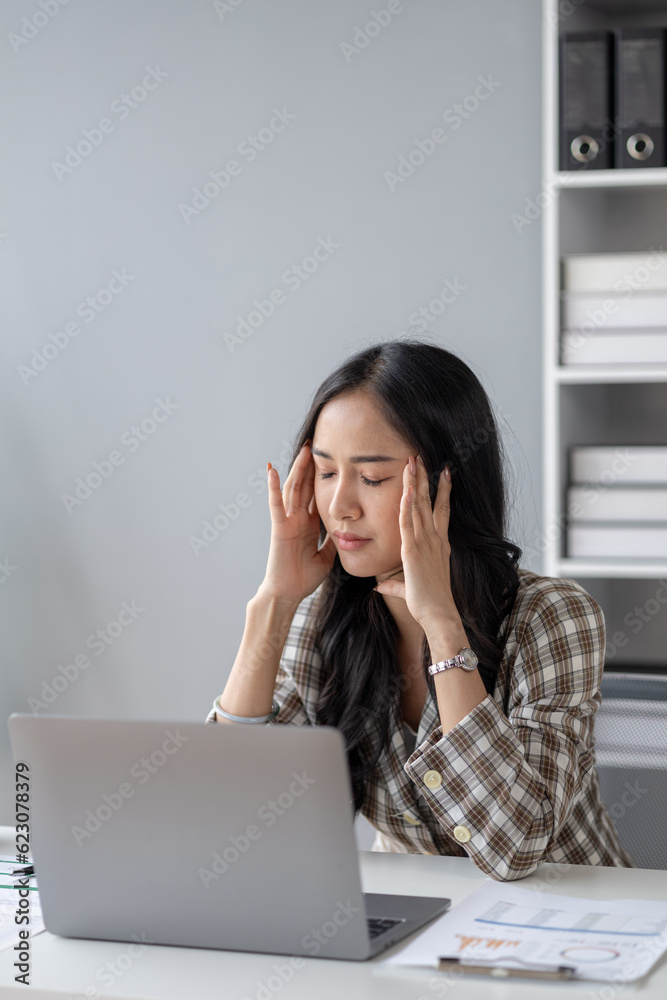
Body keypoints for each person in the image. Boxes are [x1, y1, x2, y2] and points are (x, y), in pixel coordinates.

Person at [207, 341, 634, 881]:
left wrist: (442, 625)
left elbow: (515, 846)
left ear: (446, 485)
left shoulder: (553, 616)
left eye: (373, 477)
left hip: (582, 931)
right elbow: (232, 820)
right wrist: (274, 601)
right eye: (325, 472)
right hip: (421, 931)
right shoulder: (322, 622)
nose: (339, 506)